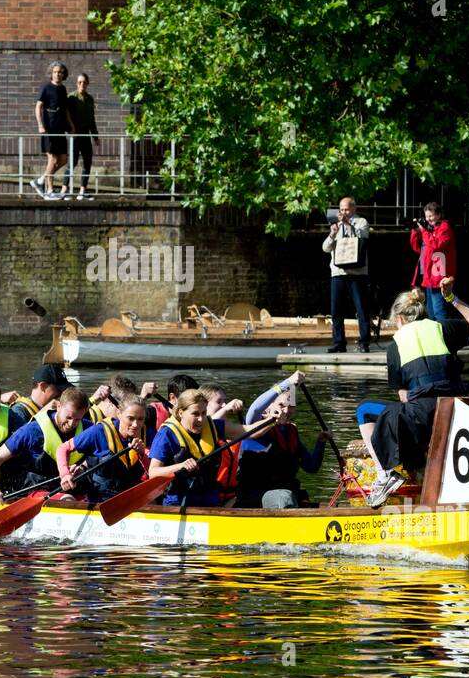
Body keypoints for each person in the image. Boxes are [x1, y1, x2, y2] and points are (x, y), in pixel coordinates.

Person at [355, 279, 469, 508]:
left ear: (400, 318)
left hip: (424, 416)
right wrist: (450, 297)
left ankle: (384, 475)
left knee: (364, 410)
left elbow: (404, 396)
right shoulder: (442, 328)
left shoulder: (395, 347)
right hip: (459, 409)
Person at [146, 389, 271, 507]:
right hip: (179, 500)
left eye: (204, 413)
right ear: (180, 413)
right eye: (195, 414)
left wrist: (273, 420)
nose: (201, 419)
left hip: (209, 497)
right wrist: (180, 466)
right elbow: (153, 473)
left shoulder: (213, 426)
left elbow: (250, 431)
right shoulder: (167, 434)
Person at [237, 373, 330, 508]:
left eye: (291, 405)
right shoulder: (256, 425)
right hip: (254, 495)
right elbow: (255, 408)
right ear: (268, 408)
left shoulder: (290, 432)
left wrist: (321, 443)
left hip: (284, 496)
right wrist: (288, 382)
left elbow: (312, 467)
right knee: (285, 496)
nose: (287, 410)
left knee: (297, 496)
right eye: (281, 405)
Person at [0, 387, 92, 504]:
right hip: (35, 489)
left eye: (77, 419)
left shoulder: (88, 429)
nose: (71, 424)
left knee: (93, 498)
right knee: (68, 500)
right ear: (58, 407)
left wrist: (82, 467)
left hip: (72, 488)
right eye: (68, 417)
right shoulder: (32, 431)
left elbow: (98, 456)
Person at [53, 394, 148, 502]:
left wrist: (142, 454)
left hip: (132, 495)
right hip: (101, 499)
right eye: (130, 418)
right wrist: (65, 475)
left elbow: (152, 470)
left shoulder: (146, 433)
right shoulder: (98, 432)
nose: (135, 424)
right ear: (119, 414)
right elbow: (63, 448)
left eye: (140, 419)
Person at [323, 196, 373, 352]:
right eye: (341, 209)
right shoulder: (336, 225)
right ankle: (339, 343)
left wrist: (347, 224)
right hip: (338, 273)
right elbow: (325, 248)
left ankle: (364, 342)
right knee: (336, 310)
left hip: (357, 273)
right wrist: (332, 234)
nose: (343, 212)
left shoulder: (362, 222)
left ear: (353, 209)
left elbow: (361, 238)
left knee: (361, 308)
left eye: (346, 209)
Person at [30, 62, 76, 200]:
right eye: (55, 72)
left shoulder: (63, 89)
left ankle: (40, 181)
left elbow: (65, 109)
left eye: (60, 72)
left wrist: (71, 125)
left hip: (60, 129)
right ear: (51, 73)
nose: (58, 74)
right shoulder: (46, 87)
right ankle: (49, 190)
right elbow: (38, 106)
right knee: (52, 159)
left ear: (64, 74)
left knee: (62, 159)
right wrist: (40, 125)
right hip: (49, 129)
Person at [408, 201, 456, 323]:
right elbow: (417, 248)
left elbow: (436, 246)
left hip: (438, 275)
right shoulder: (430, 229)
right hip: (428, 274)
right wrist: (415, 231)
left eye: (431, 216)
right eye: (426, 216)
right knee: (430, 312)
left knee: (439, 310)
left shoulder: (444, 227)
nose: (428, 219)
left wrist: (424, 231)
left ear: (439, 215)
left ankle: (444, 337)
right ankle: (434, 338)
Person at [64, 72, 99, 200]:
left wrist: (95, 136)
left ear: (87, 83)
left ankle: (82, 190)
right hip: (75, 134)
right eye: (79, 82)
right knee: (72, 162)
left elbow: (91, 119)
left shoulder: (89, 99)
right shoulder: (71, 98)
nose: (82, 84)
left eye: (84, 82)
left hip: (85, 134)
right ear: (76, 83)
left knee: (87, 161)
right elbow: (65, 115)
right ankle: (64, 189)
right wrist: (70, 129)